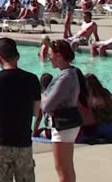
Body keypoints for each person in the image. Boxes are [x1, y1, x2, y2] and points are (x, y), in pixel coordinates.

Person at [0, 38, 40, 182]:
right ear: (17, 56)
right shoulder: (32, 79)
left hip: (0, 142)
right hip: (23, 142)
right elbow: (36, 112)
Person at [42, 39, 85, 182]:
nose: (49, 58)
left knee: (61, 169)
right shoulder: (72, 72)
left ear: (59, 55)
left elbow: (47, 105)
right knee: (67, 168)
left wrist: (43, 97)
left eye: (51, 54)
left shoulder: (65, 77)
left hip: (63, 125)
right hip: (69, 124)